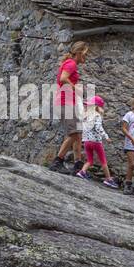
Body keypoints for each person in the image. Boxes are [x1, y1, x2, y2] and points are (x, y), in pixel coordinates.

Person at [50, 41, 89, 173]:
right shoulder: (71, 63)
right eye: (85, 53)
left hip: (68, 102)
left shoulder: (71, 63)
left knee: (78, 134)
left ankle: (78, 165)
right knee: (73, 134)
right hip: (64, 102)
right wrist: (75, 88)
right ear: (79, 52)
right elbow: (63, 78)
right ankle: (57, 161)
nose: (86, 56)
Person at [76, 95, 119, 188]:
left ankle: (82, 172)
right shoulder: (97, 115)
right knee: (103, 161)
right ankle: (108, 179)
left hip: (87, 141)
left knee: (90, 160)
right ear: (98, 107)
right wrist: (106, 137)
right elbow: (98, 128)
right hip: (96, 142)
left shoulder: (86, 116)